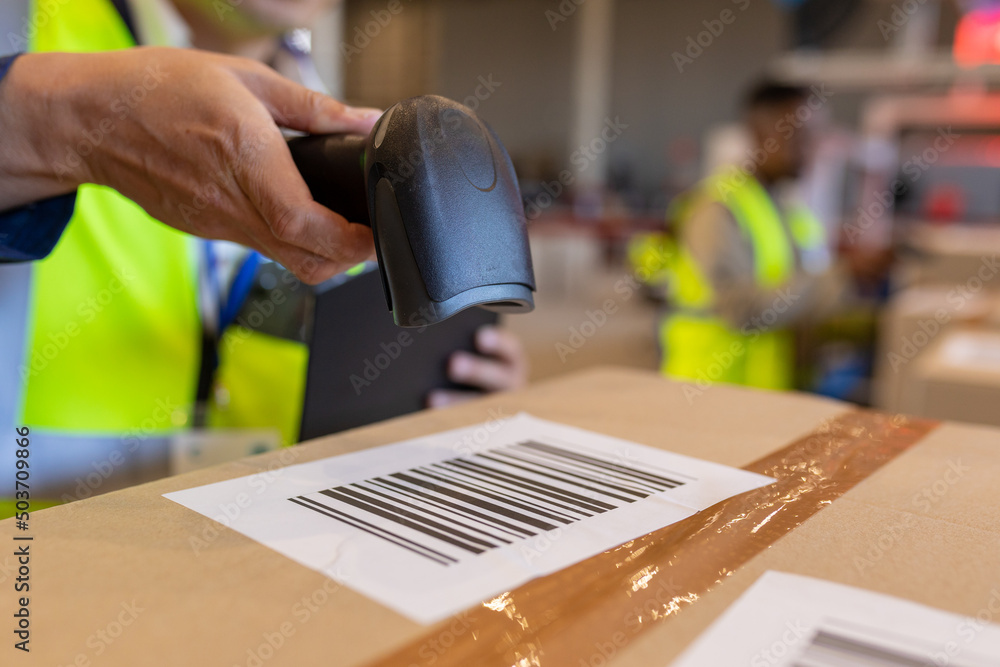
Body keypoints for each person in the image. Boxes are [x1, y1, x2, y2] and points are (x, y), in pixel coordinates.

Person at [0, 0, 527, 511]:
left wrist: (438, 392)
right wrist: (69, 117)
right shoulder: (28, 20)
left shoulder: (335, 123)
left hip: (221, 546)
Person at [634, 80, 846, 391]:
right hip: (709, 391)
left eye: (817, 137)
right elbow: (740, 308)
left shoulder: (788, 212)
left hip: (761, 390)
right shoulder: (717, 208)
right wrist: (840, 278)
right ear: (760, 134)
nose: (812, 148)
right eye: (801, 135)